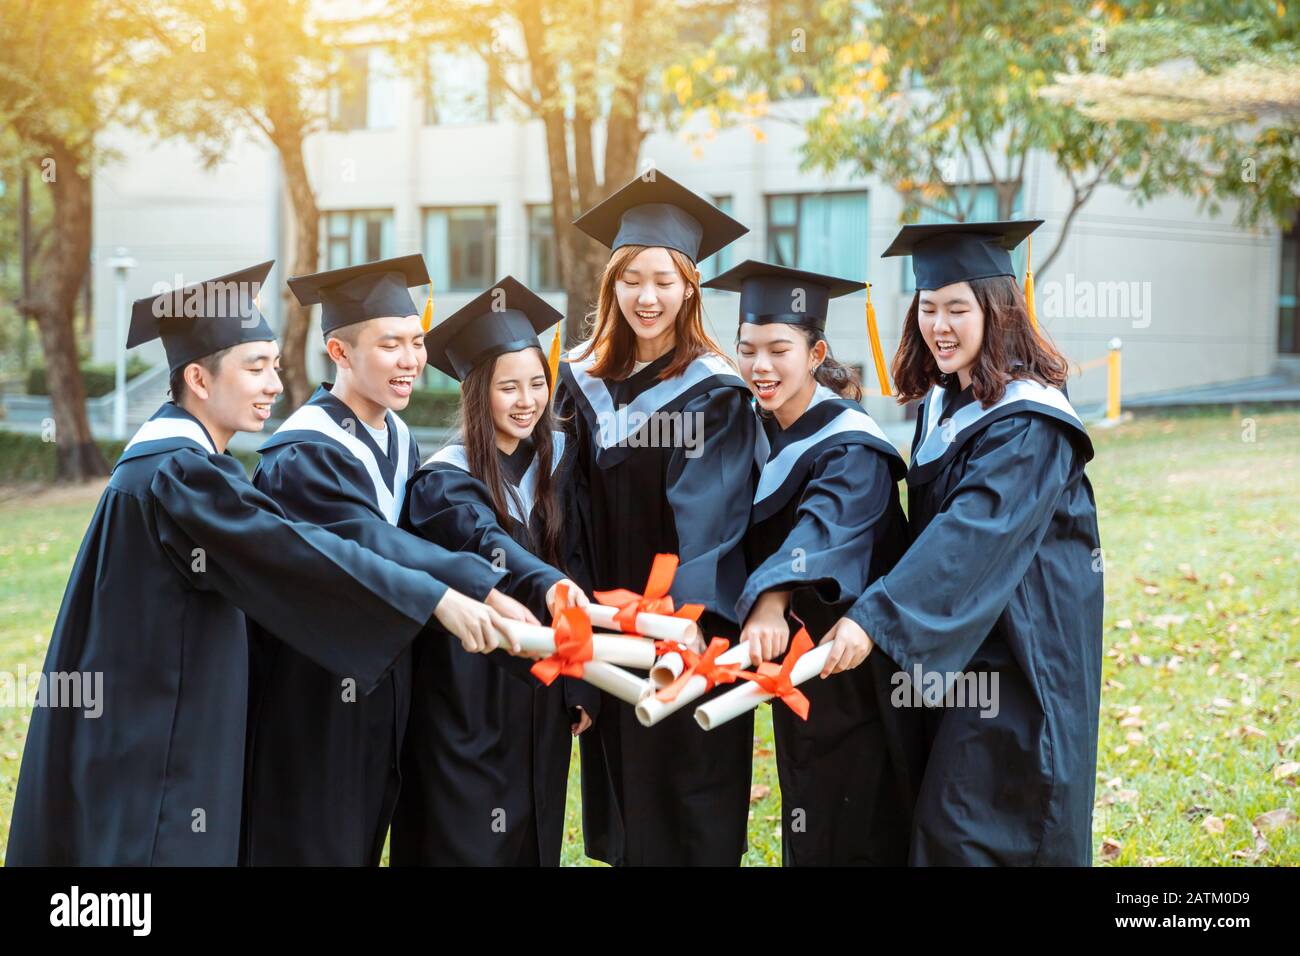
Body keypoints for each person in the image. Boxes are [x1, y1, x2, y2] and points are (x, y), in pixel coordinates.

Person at [6, 262, 506, 866]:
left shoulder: (178, 466)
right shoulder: (180, 473)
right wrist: (434, 596)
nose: (274, 384)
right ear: (197, 376)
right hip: (159, 738)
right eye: (255, 367)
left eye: (274, 364)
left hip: (152, 723)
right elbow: (295, 549)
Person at [822, 220, 1104, 865]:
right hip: (959, 647)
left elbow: (974, 529)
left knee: (978, 829)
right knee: (942, 821)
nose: (939, 325)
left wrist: (876, 618)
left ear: (997, 311)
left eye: (957, 308)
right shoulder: (944, 404)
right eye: (927, 308)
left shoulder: (1032, 420)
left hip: (1024, 660)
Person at [242, 255, 532, 866]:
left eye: (418, 343)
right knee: (317, 842)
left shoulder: (395, 437)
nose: (411, 360)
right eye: (390, 345)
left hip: (380, 682)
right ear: (339, 353)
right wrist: (473, 585)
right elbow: (369, 542)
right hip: (315, 689)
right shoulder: (302, 453)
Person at [554, 169, 758, 866]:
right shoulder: (578, 383)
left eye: (665, 280)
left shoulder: (715, 391)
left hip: (689, 626)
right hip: (608, 628)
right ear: (610, 285)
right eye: (631, 279)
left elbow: (713, 516)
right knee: (626, 800)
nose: (648, 297)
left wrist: (680, 620)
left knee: (690, 795)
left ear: (690, 288)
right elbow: (565, 512)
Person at [705, 259, 921, 865]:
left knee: (856, 814)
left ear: (816, 350)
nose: (760, 366)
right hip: (800, 665)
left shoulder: (852, 445)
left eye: (779, 349)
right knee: (811, 803)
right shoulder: (759, 428)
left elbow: (824, 526)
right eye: (747, 350)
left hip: (860, 667)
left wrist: (771, 596)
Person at [391, 276, 598, 866]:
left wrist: (579, 682)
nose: (527, 400)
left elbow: (578, 561)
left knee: (533, 838)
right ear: (478, 393)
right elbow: (483, 545)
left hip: (542, 693)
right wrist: (548, 584)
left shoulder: (559, 469)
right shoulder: (444, 481)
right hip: (465, 695)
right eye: (508, 386)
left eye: (537, 383)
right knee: (467, 844)